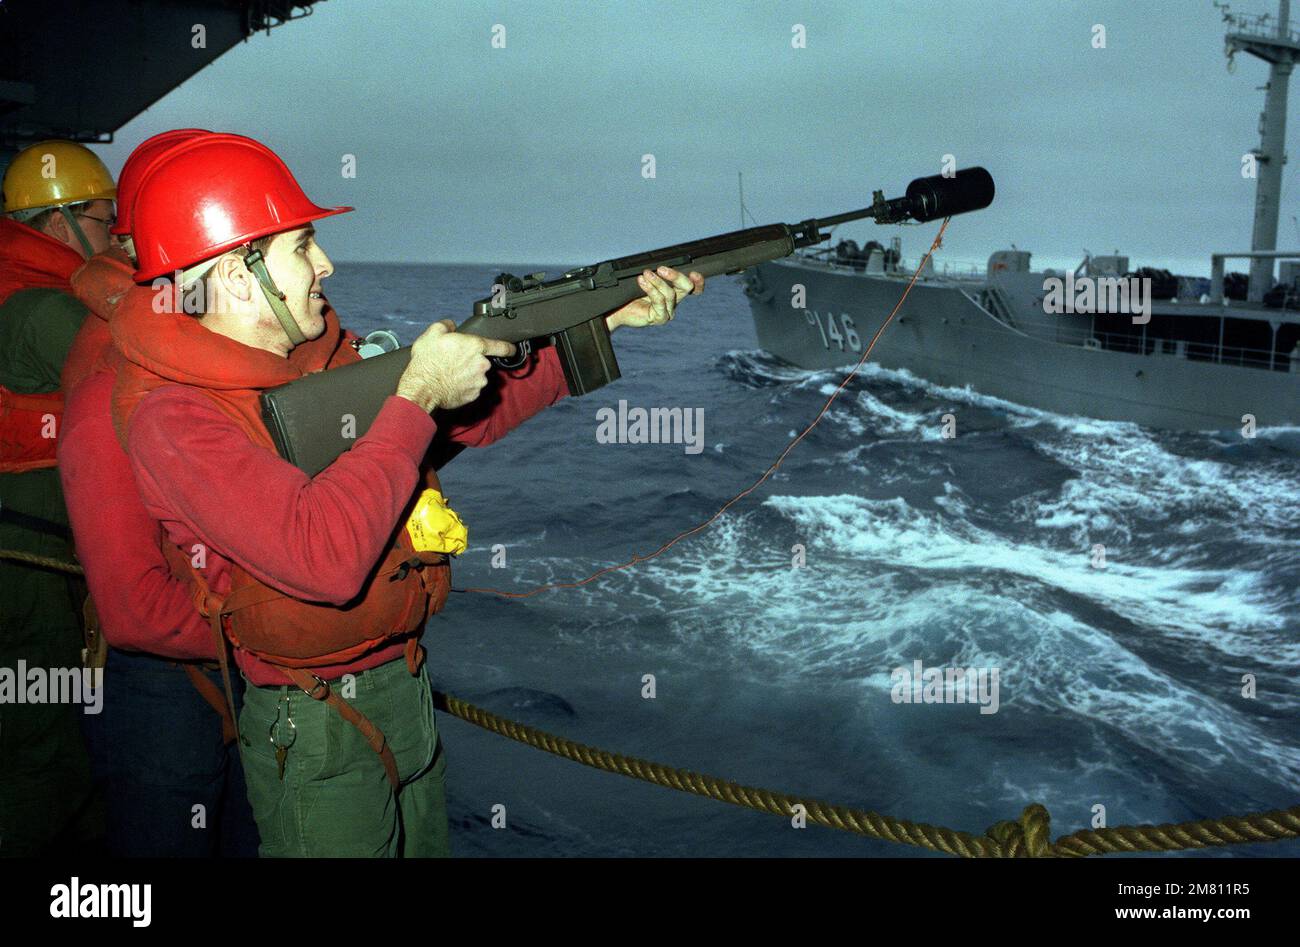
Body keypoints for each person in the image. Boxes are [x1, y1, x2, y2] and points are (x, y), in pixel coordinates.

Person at [111, 131, 703, 857]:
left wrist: (603, 319)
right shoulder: (174, 418)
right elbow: (320, 555)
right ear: (237, 275)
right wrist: (416, 393)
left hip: (404, 681)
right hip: (313, 723)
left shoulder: (316, 357)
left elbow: (468, 422)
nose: (325, 263)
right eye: (301, 246)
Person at [58, 128, 259, 857]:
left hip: (233, 669)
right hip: (161, 694)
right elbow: (136, 608)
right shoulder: (109, 378)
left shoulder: (209, 360)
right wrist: (273, 626)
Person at [0, 140, 116, 855]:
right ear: (59, 222)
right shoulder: (41, 310)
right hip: (31, 565)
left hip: (32, 552)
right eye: (104, 221)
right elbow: (146, 381)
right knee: (44, 748)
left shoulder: (21, 288)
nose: (116, 236)